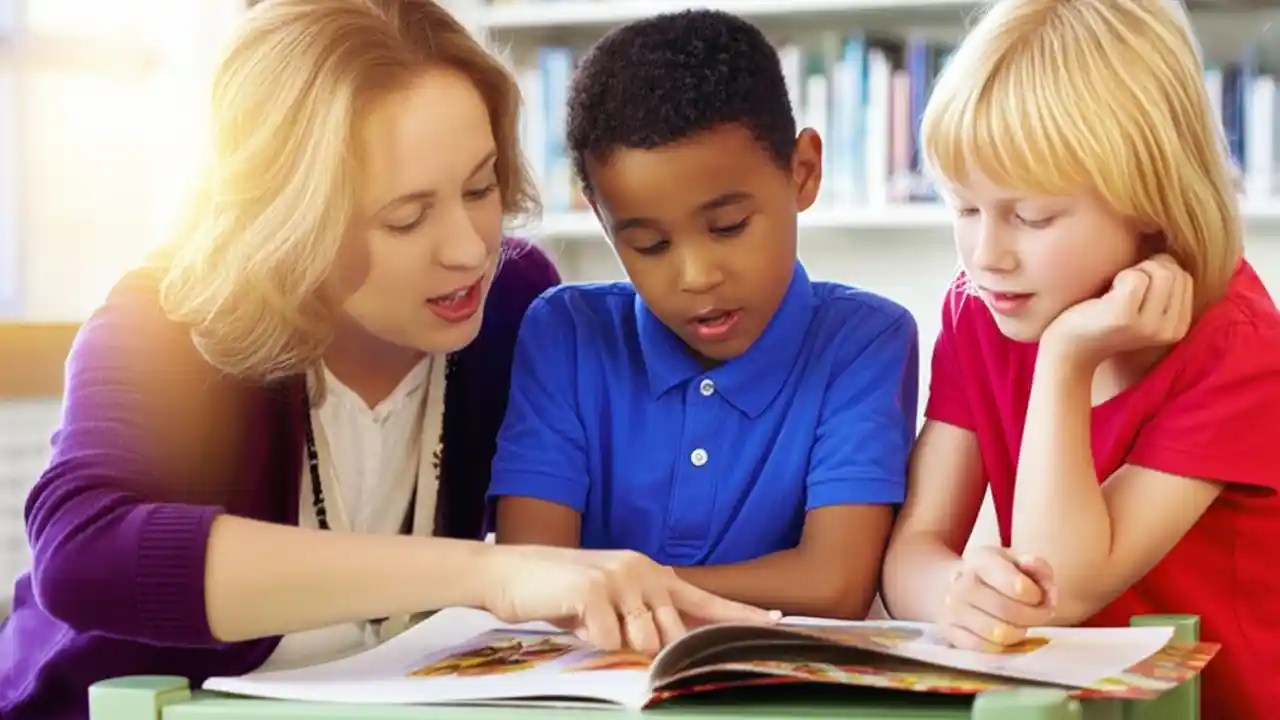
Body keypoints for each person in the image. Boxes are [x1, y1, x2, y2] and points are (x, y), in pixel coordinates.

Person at [0, 2, 774, 718]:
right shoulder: (169, 319)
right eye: (405, 219)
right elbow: (81, 554)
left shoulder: (513, 301)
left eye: (480, 187)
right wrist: (489, 572)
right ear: (290, 220)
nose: (470, 250)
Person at [879, 1, 1280, 717]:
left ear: (1151, 200)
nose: (986, 256)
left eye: (1031, 217)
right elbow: (914, 547)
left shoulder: (1240, 348)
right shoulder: (980, 311)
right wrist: (955, 596)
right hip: (1069, 706)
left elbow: (1066, 583)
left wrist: (1066, 359)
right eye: (964, 209)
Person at [488, 9, 919, 623]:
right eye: (650, 244)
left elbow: (834, 584)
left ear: (802, 172)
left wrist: (621, 585)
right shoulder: (567, 334)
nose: (696, 276)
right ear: (602, 218)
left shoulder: (865, 340)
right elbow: (533, 573)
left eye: (729, 227)